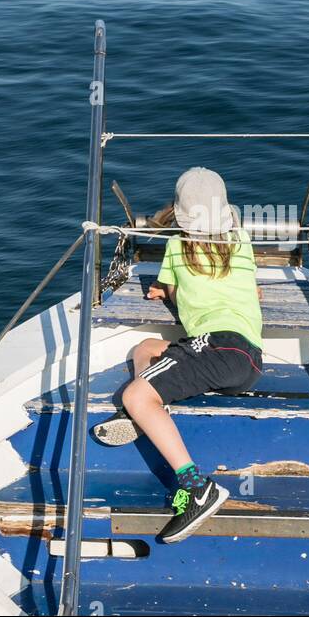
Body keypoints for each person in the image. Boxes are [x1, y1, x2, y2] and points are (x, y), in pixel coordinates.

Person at [93, 166, 264, 543]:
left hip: (218, 344)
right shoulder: (242, 241)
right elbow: (253, 291)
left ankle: (198, 487)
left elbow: (166, 290)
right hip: (247, 356)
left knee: (135, 392)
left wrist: (162, 291)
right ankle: (148, 412)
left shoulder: (176, 246)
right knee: (147, 349)